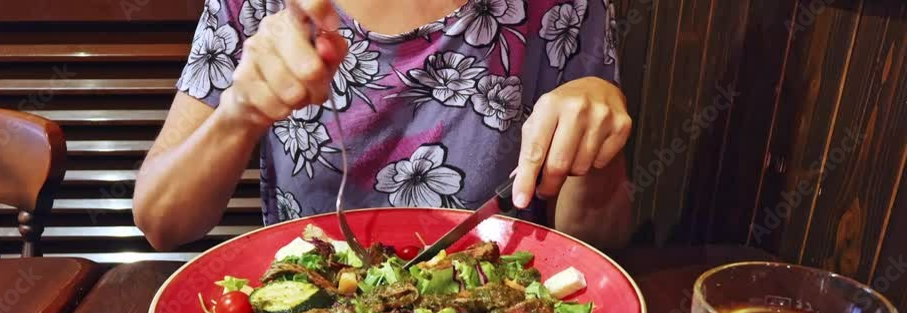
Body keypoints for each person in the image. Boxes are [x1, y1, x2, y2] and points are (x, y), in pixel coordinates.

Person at [134, 0, 633, 251]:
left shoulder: (565, 6)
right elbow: (162, 221)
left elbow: (600, 245)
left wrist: (597, 159)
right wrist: (237, 114)